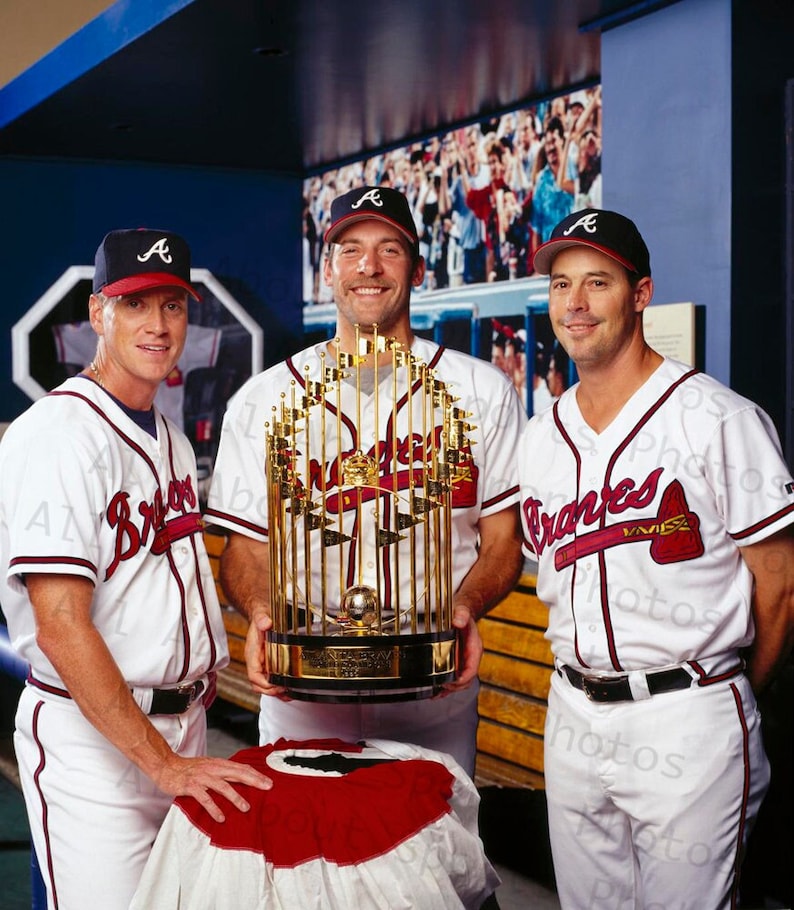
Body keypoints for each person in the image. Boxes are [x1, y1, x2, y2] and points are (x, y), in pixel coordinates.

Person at [517, 208, 794, 909]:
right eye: (560, 285)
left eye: (597, 283)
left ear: (640, 294)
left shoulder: (717, 418)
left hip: (686, 711)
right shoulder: (541, 434)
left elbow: (780, 585)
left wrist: (720, 692)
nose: (575, 305)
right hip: (572, 709)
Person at [206, 186, 526, 779]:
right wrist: (257, 611)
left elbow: (503, 539)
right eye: (350, 250)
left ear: (419, 267)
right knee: (306, 862)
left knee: (436, 864)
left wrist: (465, 605)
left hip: (432, 692)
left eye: (389, 250)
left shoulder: (482, 392)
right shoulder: (263, 399)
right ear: (328, 269)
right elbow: (246, 547)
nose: (368, 268)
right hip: (301, 693)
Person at [0, 228, 272, 910]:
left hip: (177, 726)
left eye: (172, 305)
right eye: (135, 304)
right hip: (95, 745)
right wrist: (163, 764)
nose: (157, 324)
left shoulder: (170, 437)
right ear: (98, 314)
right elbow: (60, 626)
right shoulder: (59, 434)